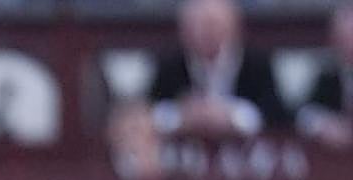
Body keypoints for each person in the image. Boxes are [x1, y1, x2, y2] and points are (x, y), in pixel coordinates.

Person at [148, 0, 292, 137]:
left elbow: (275, 114)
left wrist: (231, 116)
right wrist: (183, 115)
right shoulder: (170, 63)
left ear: (233, 28)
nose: (206, 33)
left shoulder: (256, 63)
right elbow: (149, 111)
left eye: (213, 25)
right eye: (199, 26)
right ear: (184, 31)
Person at [297, 3, 353, 149]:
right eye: (344, 39)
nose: (349, 46)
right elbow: (305, 113)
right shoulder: (328, 75)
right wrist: (324, 125)